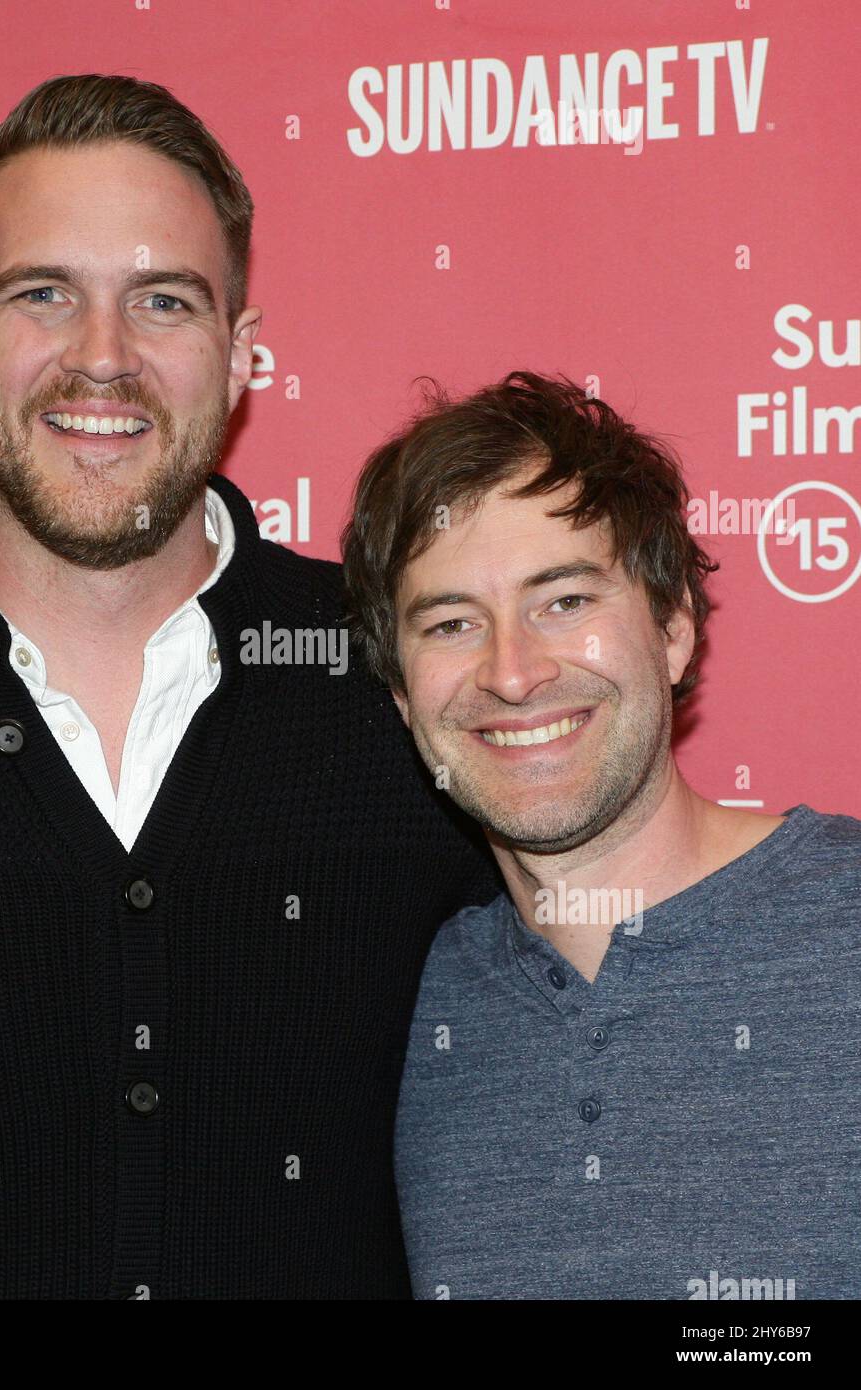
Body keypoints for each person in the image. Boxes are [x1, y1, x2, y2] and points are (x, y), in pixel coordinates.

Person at [0, 74, 499, 1300]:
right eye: (43, 294)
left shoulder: (396, 676)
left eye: (162, 301)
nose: (102, 358)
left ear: (243, 354)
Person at [341, 370, 861, 1300]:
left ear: (672, 627)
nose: (512, 673)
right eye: (454, 622)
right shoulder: (398, 1009)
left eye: (565, 601)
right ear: (399, 695)